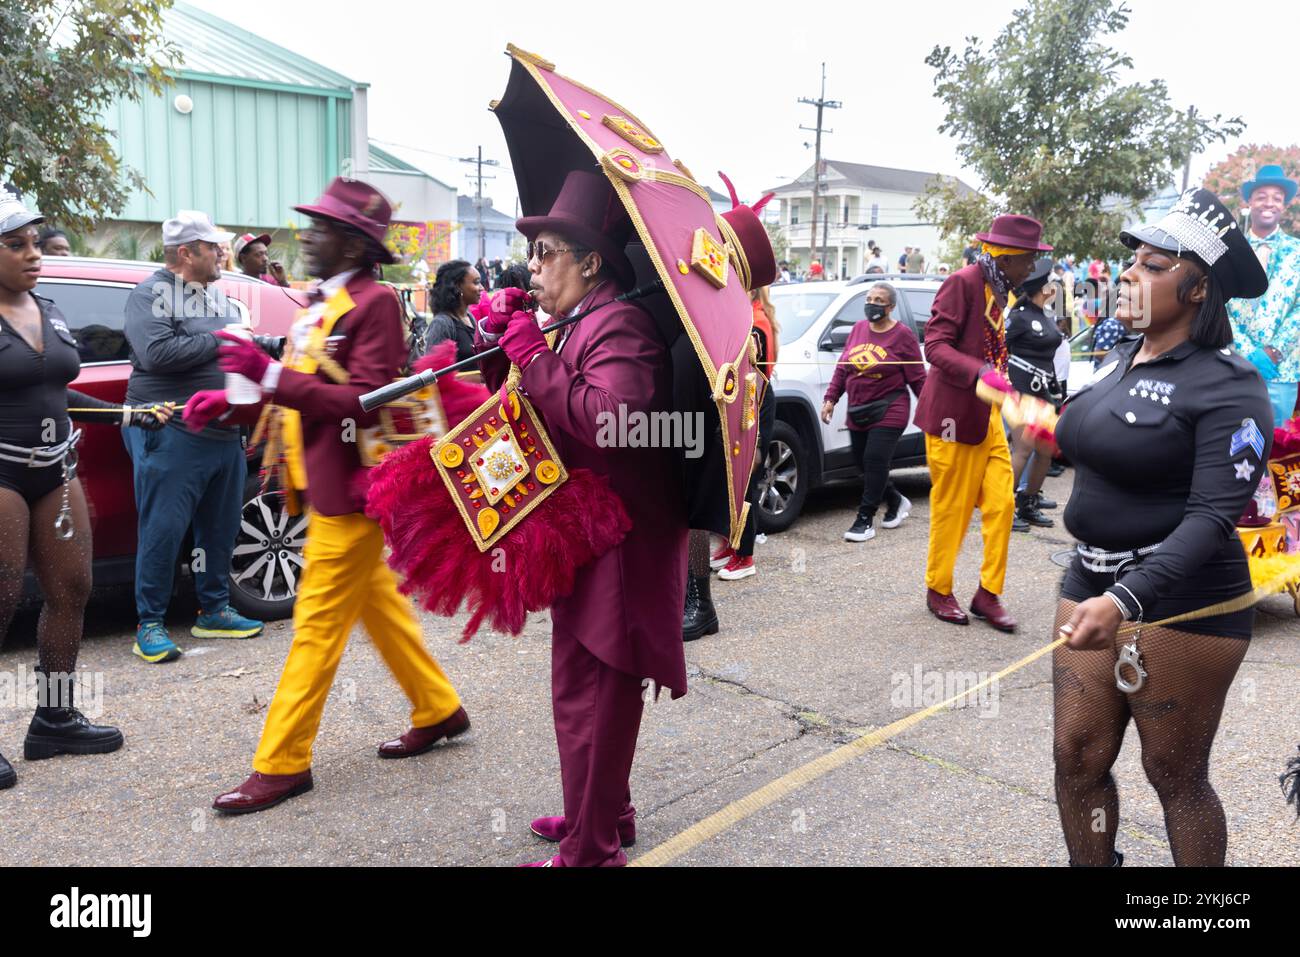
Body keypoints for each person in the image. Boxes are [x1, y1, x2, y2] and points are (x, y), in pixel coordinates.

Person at [190, 177, 469, 815]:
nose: (307, 237)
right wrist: (237, 405)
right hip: (317, 482)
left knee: (313, 628)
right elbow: (298, 386)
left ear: (351, 241)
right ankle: (438, 707)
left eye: (320, 228)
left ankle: (282, 762)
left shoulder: (372, 306)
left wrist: (267, 375)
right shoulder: (320, 302)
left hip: (352, 489)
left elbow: (360, 401)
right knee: (380, 608)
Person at [1052, 188, 1270, 867]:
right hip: (1088, 574)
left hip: (1188, 599)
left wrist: (1123, 600)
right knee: (1075, 753)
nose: (1128, 274)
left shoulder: (1231, 386)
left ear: (1199, 288)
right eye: (1132, 261)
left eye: (1152, 264)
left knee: (1173, 773)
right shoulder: (1119, 358)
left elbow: (1212, 516)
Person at [477, 170, 686, 866]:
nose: (533, 268)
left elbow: (614, 421)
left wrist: (534, 352)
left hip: (621, 542)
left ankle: (591, 850)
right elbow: (542, 406)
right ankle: (603, 813)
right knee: (584, 685)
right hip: (588, 536)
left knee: (591, 692)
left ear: (591, 262)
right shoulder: (578, 319)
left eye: (547, 254)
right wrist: (518, 341)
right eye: (531, 256)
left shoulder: (617, 323)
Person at [0, 191, 169, 790]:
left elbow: (61, 392)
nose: (32, 254)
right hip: (2, 471)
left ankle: (54, 718)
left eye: (33, 242)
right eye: (14, 244)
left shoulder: (48, 309)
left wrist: (130, 413)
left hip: (56, 465)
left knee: (72, 588)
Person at [121, 210, 263, 664]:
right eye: (213, 246)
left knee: (219, 527)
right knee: (164, 528)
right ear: (186, 252)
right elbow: (157, 352)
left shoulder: (219, 297)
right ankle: (150, 623)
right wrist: (224, 340)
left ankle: (215, 609)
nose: (223, 253)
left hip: (223, 431)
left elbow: (237, 350)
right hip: (172, 430)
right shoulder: (150, 296)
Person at [913, 214, 1051, 631]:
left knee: (1003, 505)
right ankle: (938, 589)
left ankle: (988, 594)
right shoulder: (963, 282)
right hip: (953, 418)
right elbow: (934, 346)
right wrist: (979, 371)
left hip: (988, 415)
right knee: (952, 510)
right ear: (1008, 258)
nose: (1033, 269)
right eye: (1029, 260)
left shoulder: (1000, 287)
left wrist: (1002, 383)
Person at [821, 282, 925, 541]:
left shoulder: (903, 336)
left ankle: (864, 520)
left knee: (875, 460)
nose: (872, 304)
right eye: (869, 299)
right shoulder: (857, 329)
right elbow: (843, 369)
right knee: (863, 464)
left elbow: (918, 378)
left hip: (890, 407)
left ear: (890, 307)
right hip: (858, 407)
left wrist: (931, 407)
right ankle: (895, 500)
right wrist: (830, 399)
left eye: (879, 300)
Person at [1225, 164, 1300, 426]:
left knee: (1277, 449)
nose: (1269, 203)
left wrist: (1274, 351)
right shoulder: (1229, 250)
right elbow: (1219, 302)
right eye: (1261, 196)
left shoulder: (1297, 251)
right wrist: (1245, 353)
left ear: (1284, 205)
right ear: (1249, 201)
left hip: (1281, 370)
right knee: (1230, 443)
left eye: (1277, 198)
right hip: (1233, 365)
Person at [715, 284, 780, 579]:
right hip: (741, 395)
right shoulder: (747, 316)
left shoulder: (756, 321)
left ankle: (745, 556)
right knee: (730, 483)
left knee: (746, 482)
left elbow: (755, 369)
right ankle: (732, 544)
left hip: (754, 396)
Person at [1005, 257, 1064, 531]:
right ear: (1044, 287)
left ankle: (1027, 502)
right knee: (1024, 449)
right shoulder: (1019, 317)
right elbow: (998, 350)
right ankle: (1003, 509)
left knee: (1046, 450)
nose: (1057, 285)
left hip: (1044, 394)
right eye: (1053, 281)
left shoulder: (1046, 316)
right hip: (1022, 392)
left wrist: (1056, 389)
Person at [422, 259, 483, 364]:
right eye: (476, 282)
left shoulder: (469, 317)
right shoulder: (442, 324)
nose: (482, 288)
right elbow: (434, 372)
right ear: (458, 286)